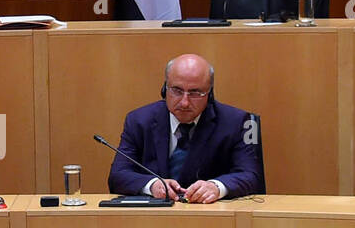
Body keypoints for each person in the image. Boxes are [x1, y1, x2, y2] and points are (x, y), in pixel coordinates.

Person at [107, 53, 264, 202]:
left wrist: (216, 187)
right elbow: (118, 176)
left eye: (195, 93)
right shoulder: (139, 121)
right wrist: (152, 185)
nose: (184, 102)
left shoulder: (237, 122)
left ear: (210, 95)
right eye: (176, 91)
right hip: (153, 219)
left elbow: (251, 176)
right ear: (164, 89)